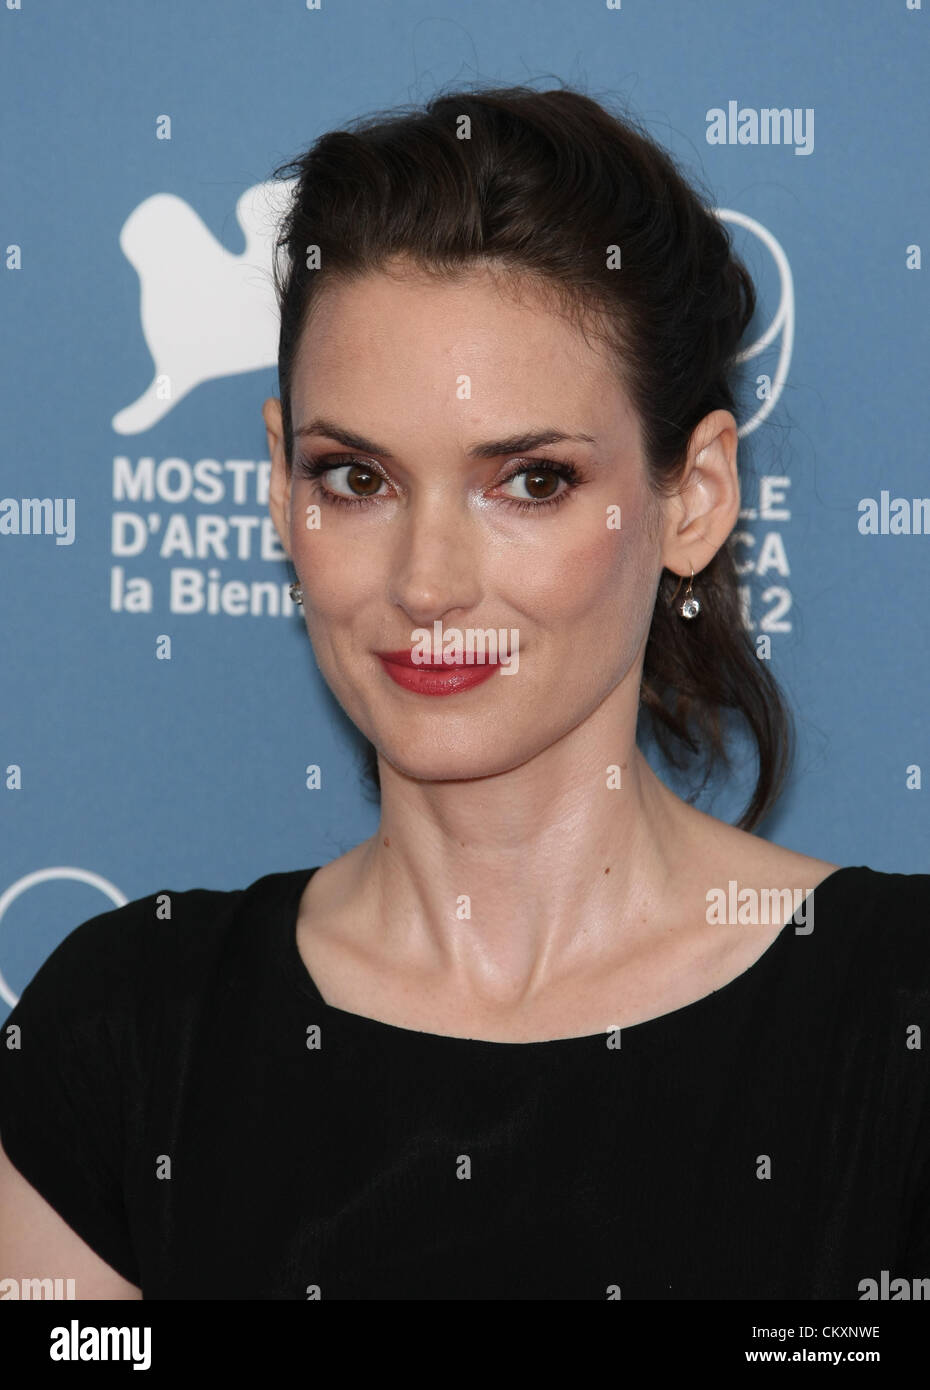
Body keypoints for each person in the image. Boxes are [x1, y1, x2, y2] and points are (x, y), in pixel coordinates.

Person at [1, 85, 927, 1301]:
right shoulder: (125, 1040)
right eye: (357, 477)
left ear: (694, 495)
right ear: (282, 486)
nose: (426, 582)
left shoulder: (896, 1025)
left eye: (531, 481)